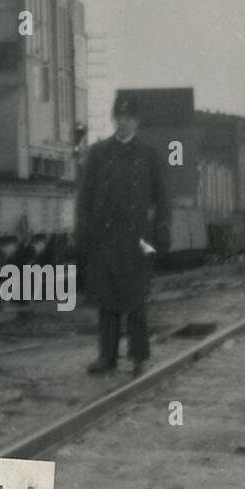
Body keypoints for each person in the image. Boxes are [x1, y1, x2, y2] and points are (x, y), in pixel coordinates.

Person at [75, 94, 171, 376]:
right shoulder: (99, 153)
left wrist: (163, 229)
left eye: (129, 118)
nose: (124, 122)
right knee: (107, 300)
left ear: (137, 122)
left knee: (136, 300)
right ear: (113, 118)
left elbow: (162, 197)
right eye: (120, 117)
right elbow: (85, 196)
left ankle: (139, 356)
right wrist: (82, 232)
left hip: (137, 239)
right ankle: (107, 356)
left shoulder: (149, 155)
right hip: (105, 238)